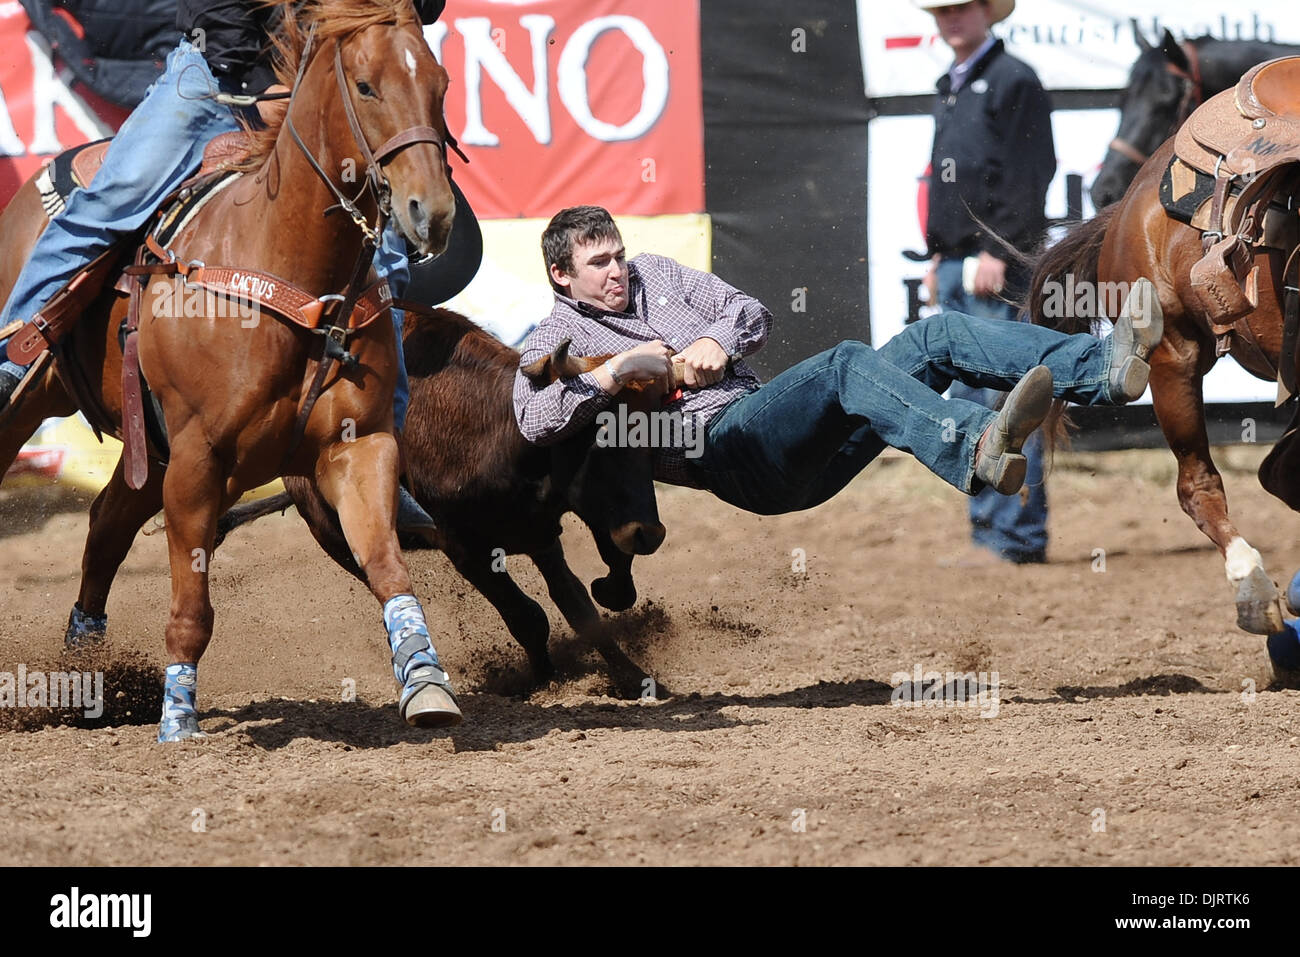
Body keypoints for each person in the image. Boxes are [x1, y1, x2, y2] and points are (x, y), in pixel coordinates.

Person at [0, 0, 459, 533]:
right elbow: (218, 10)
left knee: (387, 257)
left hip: (323, 82)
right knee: (110, 200)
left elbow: (420, 8)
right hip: (217, 75)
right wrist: (259, 80)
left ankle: (388, 458)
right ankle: (11, 351)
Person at [513, 206, 1160, 521]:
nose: (617, 269)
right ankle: (976, 443)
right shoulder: (552, 336)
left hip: (784, 437)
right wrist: (614, 370)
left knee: (937, 333)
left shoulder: (655, 273)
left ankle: (1101, 368)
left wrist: (718, 342)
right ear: (561, 274)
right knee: (847, 363)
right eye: (599, 263)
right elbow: (533, 418)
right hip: (728, 454)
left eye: (618, 254)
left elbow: (749, 311)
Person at [919, 0, 1057, 565]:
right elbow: (947, 178)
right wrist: (937, 256)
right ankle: (988, 532)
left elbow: (1031, 171)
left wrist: (996, 248)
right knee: (975, 401)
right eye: (941, 10)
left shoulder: (1013, 78)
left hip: (993, 264)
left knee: (1008, 400)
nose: (950, 17)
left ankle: (1016, 537)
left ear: (985, 12)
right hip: (958, 263)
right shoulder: (954, 83)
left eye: (960, 7)